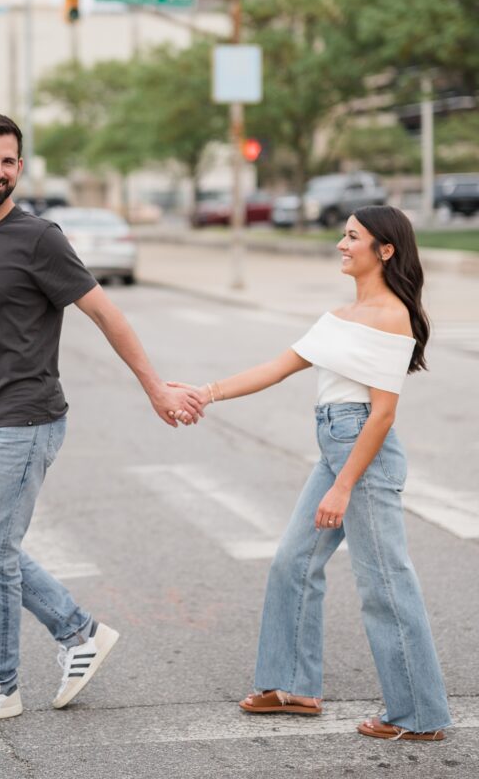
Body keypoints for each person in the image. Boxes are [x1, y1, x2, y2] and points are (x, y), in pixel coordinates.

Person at [0, 112, 202, 728]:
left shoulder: (39, 239)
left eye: (8, 161)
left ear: (20, 168)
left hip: (24, 420)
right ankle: (79, 634)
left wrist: (155, 388)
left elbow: (105, 313)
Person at [171, 206, 451, 741]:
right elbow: (276, 368)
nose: (341, 245)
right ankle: (292, 686)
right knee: (293, 562)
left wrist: (343, 487)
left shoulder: (391, 315)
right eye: (343, 235)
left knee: (385, 583)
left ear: (385, 250)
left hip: (363, 453)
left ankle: (419, 715)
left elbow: (383, 414)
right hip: (334, 445)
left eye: (352, 237)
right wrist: (205, 393)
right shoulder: (341, 315)